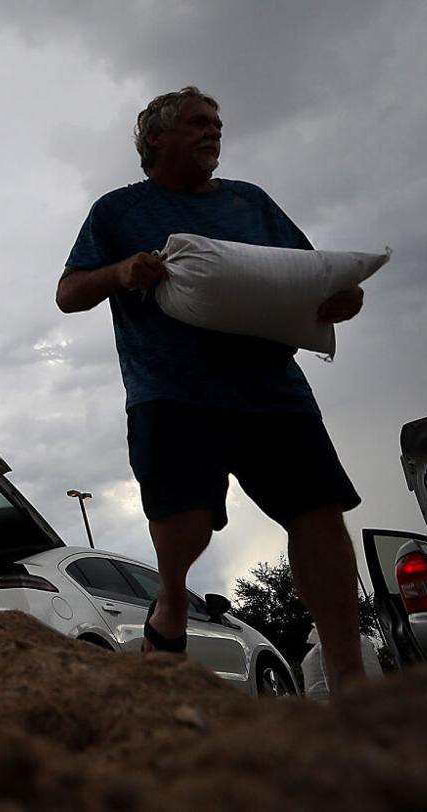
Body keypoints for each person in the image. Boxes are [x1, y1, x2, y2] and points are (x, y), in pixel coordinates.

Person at [56, 86, 369, 691]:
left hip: (274, 392)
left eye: (217, 123)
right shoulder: (118, 212)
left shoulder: (252, 203)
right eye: (199, 123)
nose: (214, 131)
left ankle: (350, 681)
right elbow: (68, 294)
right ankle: (170, 601)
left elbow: (308, 273)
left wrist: (341, 299)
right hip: (172, 392)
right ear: (157, 138)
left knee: (319, 516)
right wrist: (121, 272)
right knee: (189, 524)